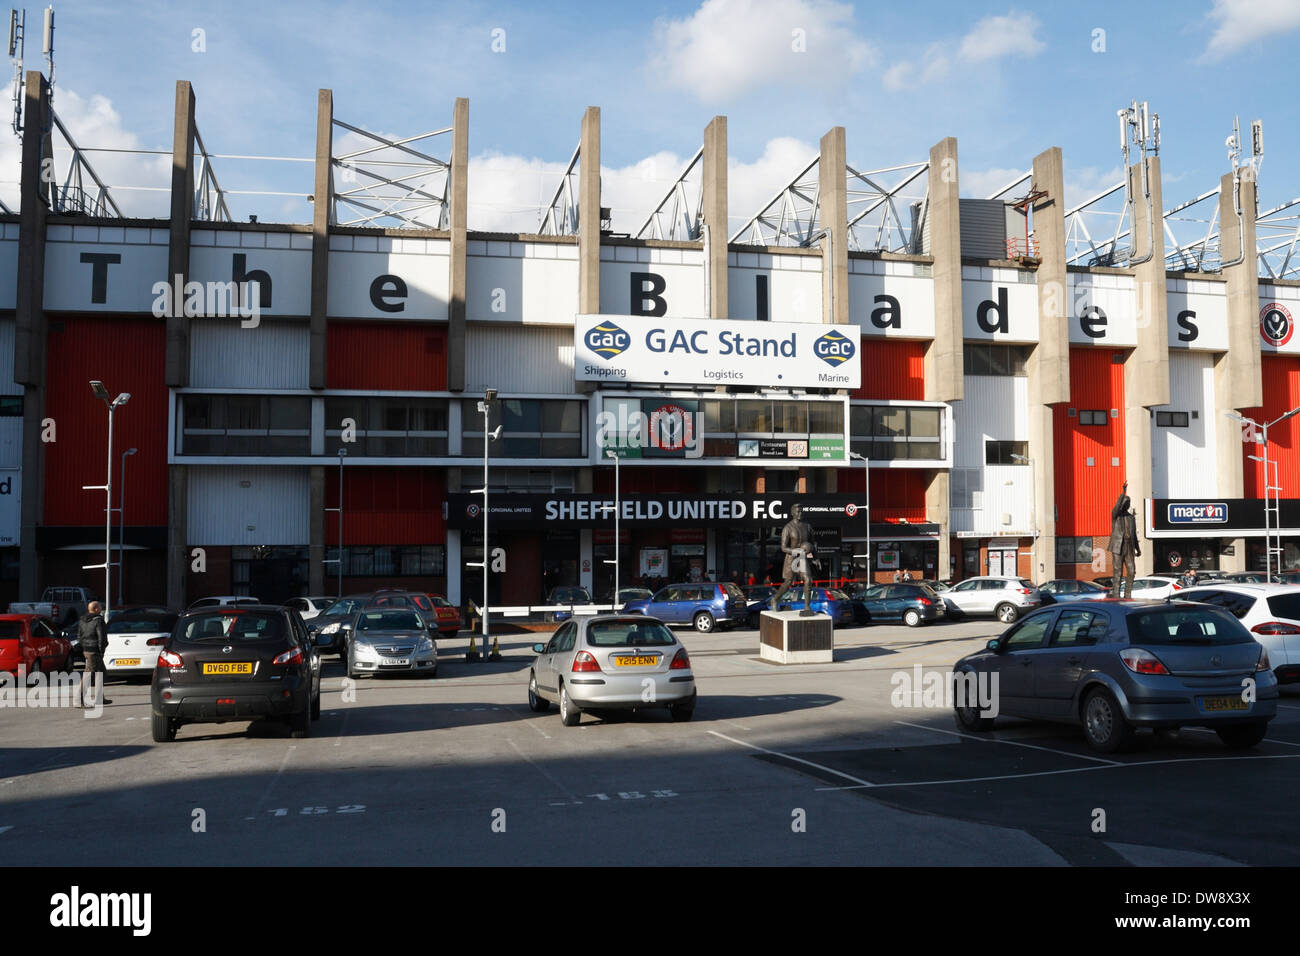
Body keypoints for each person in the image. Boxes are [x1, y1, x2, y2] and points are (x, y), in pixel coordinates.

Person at [77, 601, 111, 707]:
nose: (101, 609)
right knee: (89, 674)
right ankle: (79, 699)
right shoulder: (99, 620)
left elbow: (79, 636)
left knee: (101, 673)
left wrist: (84, 647)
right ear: (96, 609)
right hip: (95, 651)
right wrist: (102, 651)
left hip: (87, 650)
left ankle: (100, 697)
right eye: (100, 607)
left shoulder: (82, 620)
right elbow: (102, 637)